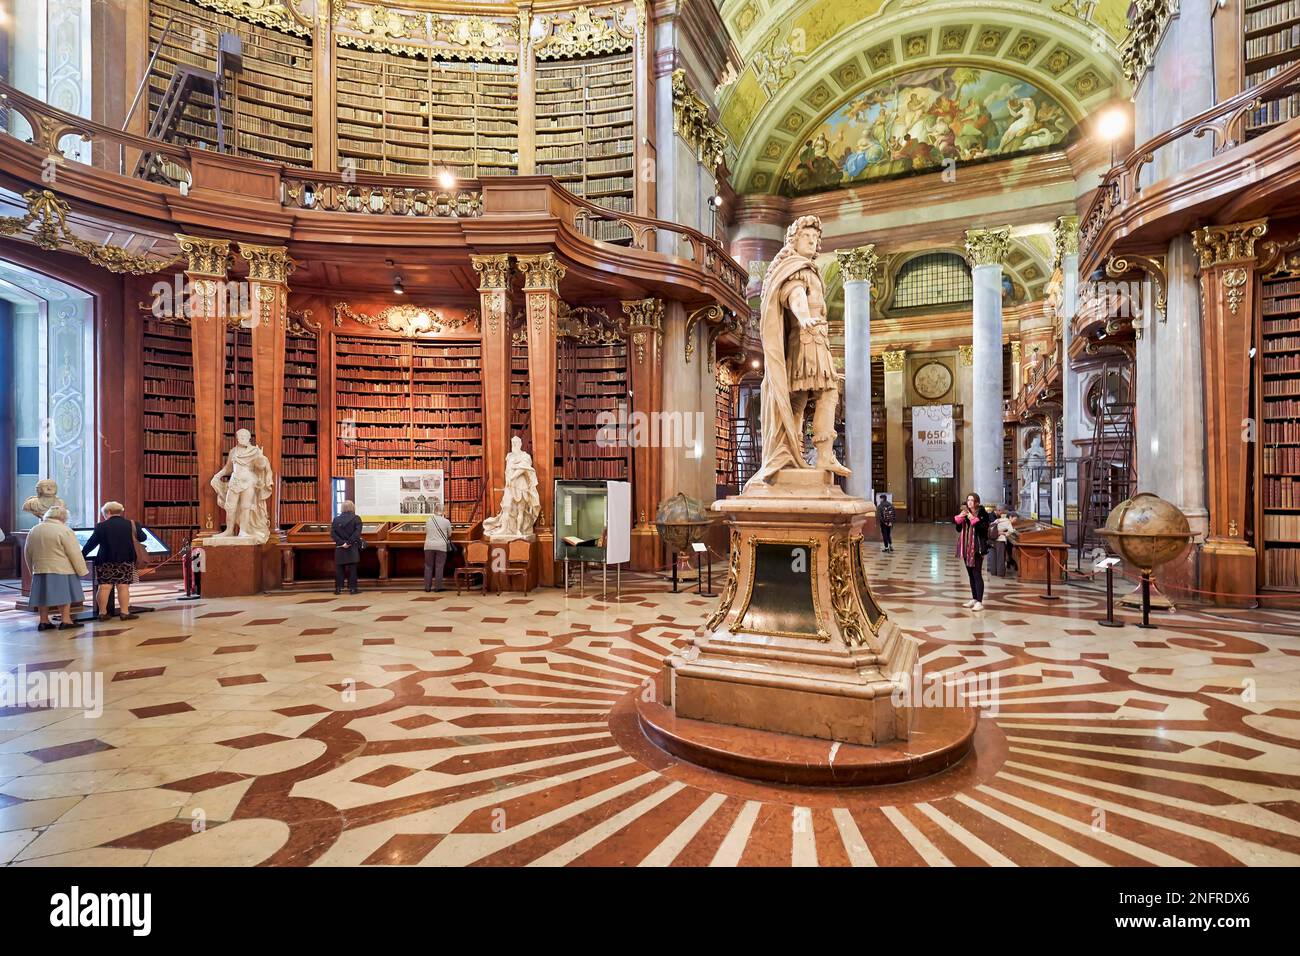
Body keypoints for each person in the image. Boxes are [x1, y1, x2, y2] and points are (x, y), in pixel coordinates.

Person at [24, 506, 88, 630]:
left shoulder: (34, 529)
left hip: (40, 568)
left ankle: (43, 621)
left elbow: (27, 551)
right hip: (61, 568)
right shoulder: (64, 530)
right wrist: (82, 570)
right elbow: (73, 552)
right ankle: (66, 620)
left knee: (42, 595)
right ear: (63, 517)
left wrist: (31, 568)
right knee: (64, 595)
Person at [81, 500, 146, 621]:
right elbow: (143, 538)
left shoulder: (101, 526)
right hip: (125, 560)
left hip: (105, 561)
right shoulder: (131, 524)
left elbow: (91, 544)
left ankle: (102, 613)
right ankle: (124, 613)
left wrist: (82, 555)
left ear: (108, 512)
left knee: (104, 587)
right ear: (120, 512)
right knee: (123, 587)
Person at [954, 492, 993, 610]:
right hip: (966, 547)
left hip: (977, 548)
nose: (969, 502)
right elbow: (958, 529)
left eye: (972, 500)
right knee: (970, 574)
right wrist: (960, 518)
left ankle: (979, 602)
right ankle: (974, 598)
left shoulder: (982, 514)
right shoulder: (966, 513)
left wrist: (973, 519)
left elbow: (982, 529)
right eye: (968, 500)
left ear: (976, 502)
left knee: (976, 574)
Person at [331, 501, 364, 595]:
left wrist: (342, 543)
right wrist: (349, 542)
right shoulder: (356, 518)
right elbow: (357, 534)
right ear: (353, 507)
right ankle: (353, 589)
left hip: (340, 547)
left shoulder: (336, 519)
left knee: (339, 568)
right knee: (352, 568)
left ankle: (338, 589)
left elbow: (332, 534)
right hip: (352, 546)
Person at [424, 502, 454, 592]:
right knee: (439, 567)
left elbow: (426, 531)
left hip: (428, 546)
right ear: (443, 511)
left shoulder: (428, 520)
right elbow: (450, 534)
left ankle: (427, 587)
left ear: (434, 511)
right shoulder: (446, 521)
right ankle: (438, 587)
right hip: (441, 546)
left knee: (428, 566)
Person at [995, 508, 1020, 574]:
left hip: (995, 539)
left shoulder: (1001, 519)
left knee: (998, 556)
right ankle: (1001, 573)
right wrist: (1005, 533)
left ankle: (995, 571)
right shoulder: (1008, 522)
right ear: (1010, 517)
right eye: (1015, 519)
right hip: (1000, 540)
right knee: (1001, 557)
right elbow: (1010, 531)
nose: (1015, 521)